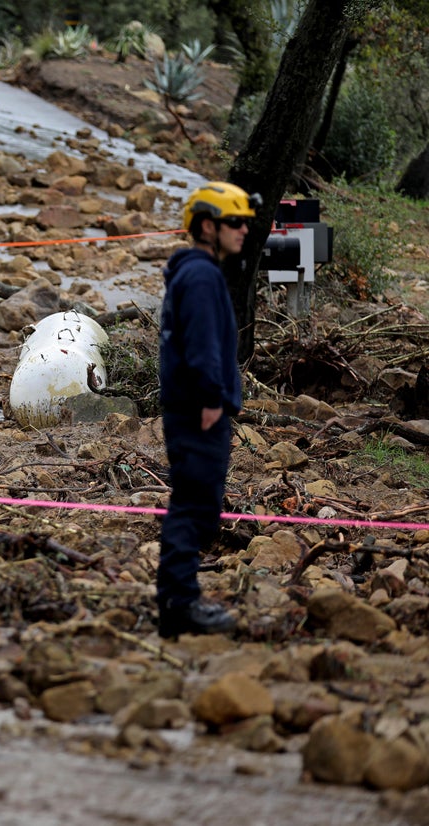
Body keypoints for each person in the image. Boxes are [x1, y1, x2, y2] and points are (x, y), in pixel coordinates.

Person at [156, 181, 260, 639]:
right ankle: (180, 603)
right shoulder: (199, 276)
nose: (243, 231)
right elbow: (201, 347)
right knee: (194, 508)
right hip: (198, 411)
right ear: (206, 226)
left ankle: (178, 600)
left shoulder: (200, 272)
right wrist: (213, 399)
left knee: (200, 505)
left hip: (195, 408)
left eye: (245, 223)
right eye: (234, 223)